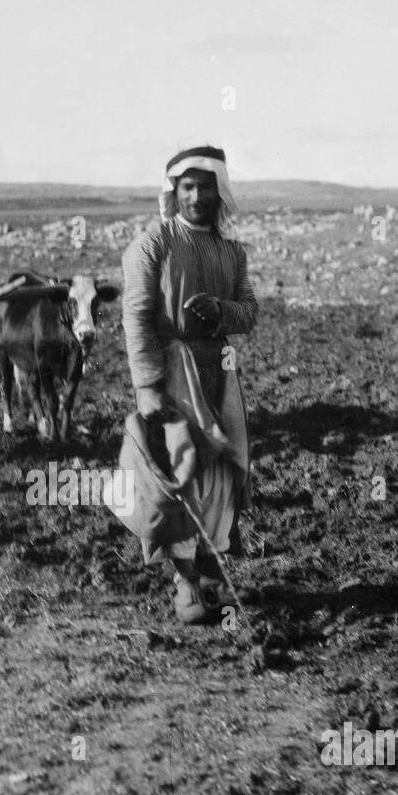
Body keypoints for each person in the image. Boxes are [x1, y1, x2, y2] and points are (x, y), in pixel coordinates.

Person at [111, 145, 258, 624]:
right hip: (171, 374)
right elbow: (135, 315)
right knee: (179, 474)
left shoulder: (231, 252)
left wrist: (221, 311)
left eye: (205, 187)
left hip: (219, 370)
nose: (196, 196)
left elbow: (249, 311)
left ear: (220, 192)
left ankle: (214, 571)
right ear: (174, 192)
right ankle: (186, 585)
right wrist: (148, 386)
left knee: (222, 474)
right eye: (187, 187)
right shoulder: (153, 243)